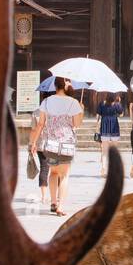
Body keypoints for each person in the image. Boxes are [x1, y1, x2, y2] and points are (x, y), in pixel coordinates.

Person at [29, 77, 83, 216]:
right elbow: (76, 124)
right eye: (68, 82)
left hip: (50, 145)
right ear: (65, 85)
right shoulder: (74, 102)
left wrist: (34, 142)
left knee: (53, 173)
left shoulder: (46, 101)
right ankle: (60, 206)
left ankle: (52, 202)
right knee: (64, 175)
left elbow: (40, 124)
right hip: (66, 144)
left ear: (55, 85)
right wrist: (80, 111)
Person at [96, 92, 123, 177]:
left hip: (104, 127)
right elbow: (121, 114)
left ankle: (103, 168)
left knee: (104, 151)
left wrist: (97, 124)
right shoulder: (117, 104)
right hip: (114, 127)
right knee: (114, 151)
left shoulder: (102, 104)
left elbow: (98, 115)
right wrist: (119, 103)